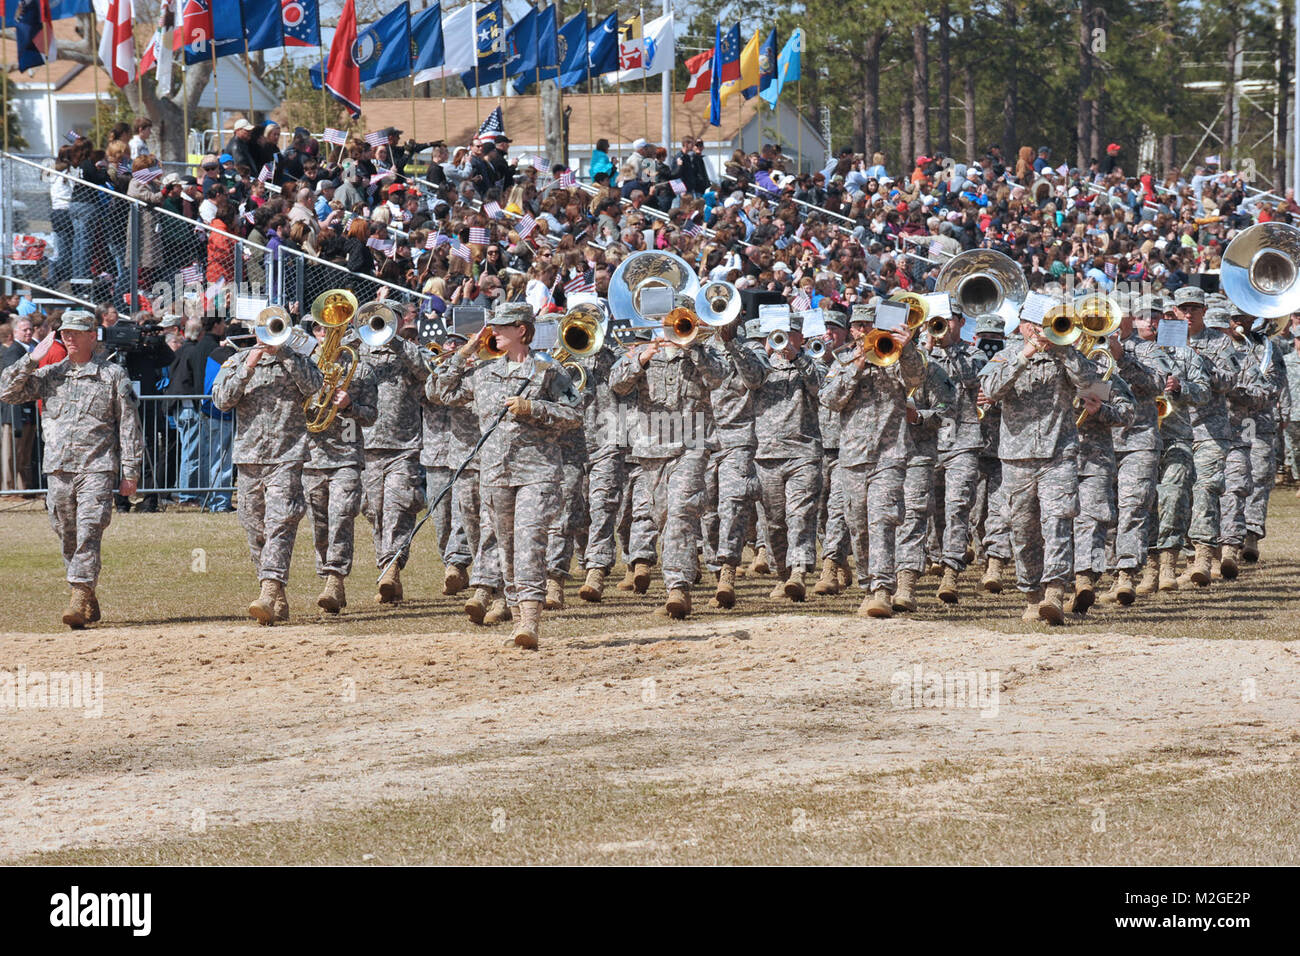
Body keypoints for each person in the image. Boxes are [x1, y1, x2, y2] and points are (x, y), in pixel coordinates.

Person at [433, 303, 583, 649]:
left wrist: (534, 408)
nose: (494, 332)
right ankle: (517, 620)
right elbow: (439, 390)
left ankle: (530, 620)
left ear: (522, 330)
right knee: (507, 549)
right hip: (496, 475)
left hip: (537, 472)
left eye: (501, 326)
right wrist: (464, 353)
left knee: (529, 544)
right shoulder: (484, 372)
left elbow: (576, 413)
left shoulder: (548, 369)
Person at [0, 311, 143, 628]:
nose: (70, 337)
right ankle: (87, 592)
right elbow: (6, 391)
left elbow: (129, 425)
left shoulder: (113, 375)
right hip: (58, 470)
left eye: (77, 332)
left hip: (97, 469)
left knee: (89, 532)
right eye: (65, 332)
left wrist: (130, 472)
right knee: (67, 536)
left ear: (93, 335)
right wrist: (30, 360)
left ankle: (78, 596)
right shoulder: (50, 374)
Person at [979, 300, 1099, 624]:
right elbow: (990, 389)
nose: (1038, 329)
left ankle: (1055, 593)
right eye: (1032, 323)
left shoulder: (1067, 355)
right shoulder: (1006, 356)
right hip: (1016, 458)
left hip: (1058, 454)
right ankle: (1032, 595)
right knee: (1023, 531)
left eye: (1042, 323)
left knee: (1057, 522)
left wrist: (1064, 349)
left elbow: (1092, 384)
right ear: (1022, 326)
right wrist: (1025, 354)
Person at [210, 320, 325, 624]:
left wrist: (284, 354)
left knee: (281, 522)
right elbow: (221, 401)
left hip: (287, 455)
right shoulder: (238, 360)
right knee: (255, 528)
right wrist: (248, 365)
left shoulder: (298, 360)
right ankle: (277, 596)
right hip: (249, 457)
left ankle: (269, 589)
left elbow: (316, 387)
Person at [820, 302, 925, 617]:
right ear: (852, 330)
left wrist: (906, 349)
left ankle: (882, 589)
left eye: (869, 325)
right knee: (858, 525)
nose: (864, 331)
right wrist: (856, 367)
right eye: (859, 326)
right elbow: (829, 399)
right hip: (853, 457)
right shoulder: (842, 360)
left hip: (889, 454)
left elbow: (917, 378)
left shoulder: (896, 356)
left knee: (882, 519)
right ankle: (868, 585)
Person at [303, 323, 378, 614]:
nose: (326, 333)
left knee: (342, 515)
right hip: (312, 457)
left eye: (332, 328)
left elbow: (371, 416)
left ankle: (335, 578)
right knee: (319, 525)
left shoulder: (361, 369)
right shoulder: (303, 364)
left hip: (346, 457)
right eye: (320, 328)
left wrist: (349, 405)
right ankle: (327, 576)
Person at [751, 311, 825, 601]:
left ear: (800, 337)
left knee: (800, 515)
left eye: (791, 334)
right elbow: (747, 379)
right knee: (773, 522)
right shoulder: (762, 366)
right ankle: (782, 573)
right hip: (766, 454)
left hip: (803, 452)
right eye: (779, 333)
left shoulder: (813, 362)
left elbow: (821, 388)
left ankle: (798, 572)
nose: (784, 339)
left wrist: (797, 357)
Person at [359, 309, 431, 603]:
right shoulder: (359, 351)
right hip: (367, 445)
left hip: (404, 446)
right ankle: (388, 570)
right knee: (374, 510)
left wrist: (396, 342)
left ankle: (391, 567)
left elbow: (428, 373)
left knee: (398, 507)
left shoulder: (410, 351)